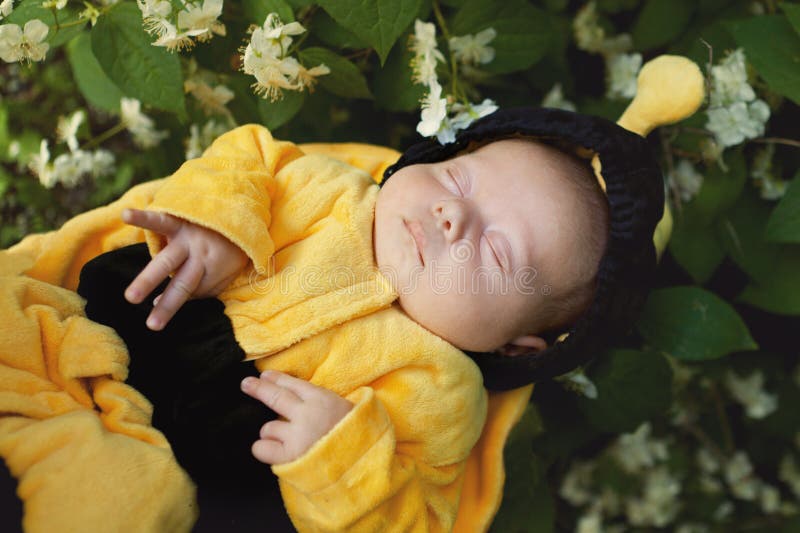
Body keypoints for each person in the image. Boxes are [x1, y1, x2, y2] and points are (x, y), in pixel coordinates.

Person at [0, 55, 704, 532]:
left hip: (157, 461)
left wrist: (342, 454)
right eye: (460, 180)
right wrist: (218, 225)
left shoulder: (440, 392)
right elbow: (246, 158)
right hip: (75, 350)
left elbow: (414, 516)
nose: (452, 215)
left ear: (515, 345)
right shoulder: (328, 191)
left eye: (494, 251)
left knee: (122, 500)